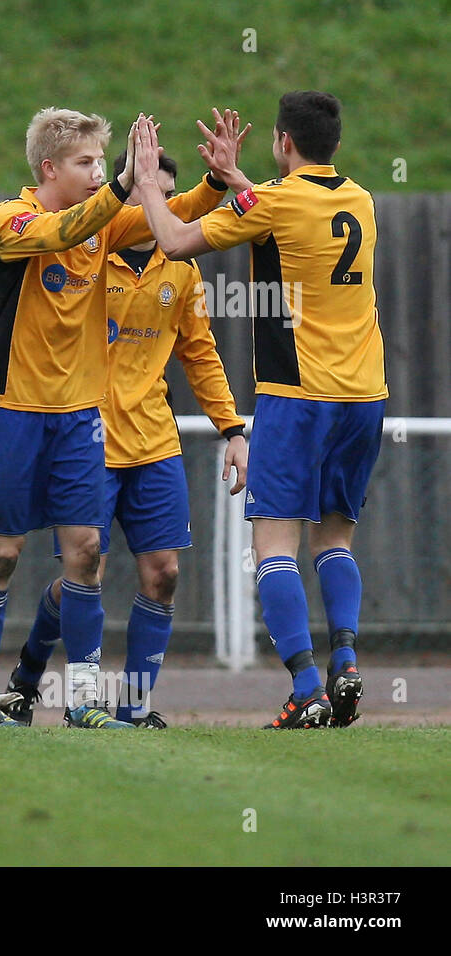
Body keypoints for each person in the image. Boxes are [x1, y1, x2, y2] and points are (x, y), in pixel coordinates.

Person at [0, 106, 237, 729]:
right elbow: (61, 233)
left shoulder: (105, 228)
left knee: (85, 552)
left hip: (80, 419)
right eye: (86, 163)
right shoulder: (10, 220)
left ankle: (85, 700)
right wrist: (121, 185)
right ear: (48, 166)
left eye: (99, 163)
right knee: (1, 555)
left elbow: (174, 215)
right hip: (11, 409)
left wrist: (217, 182)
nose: (95, 173)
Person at [132, 94, 385, 729]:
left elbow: (172, 237)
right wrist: (236, 179)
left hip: (298, 397)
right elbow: (287, 211)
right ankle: (346, 660)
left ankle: (305, 686)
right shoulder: (358, 199)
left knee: (273, 544)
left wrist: (144, 181)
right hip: (364, 395)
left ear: (283, 143)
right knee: (335, 537)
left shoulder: (272, 202)